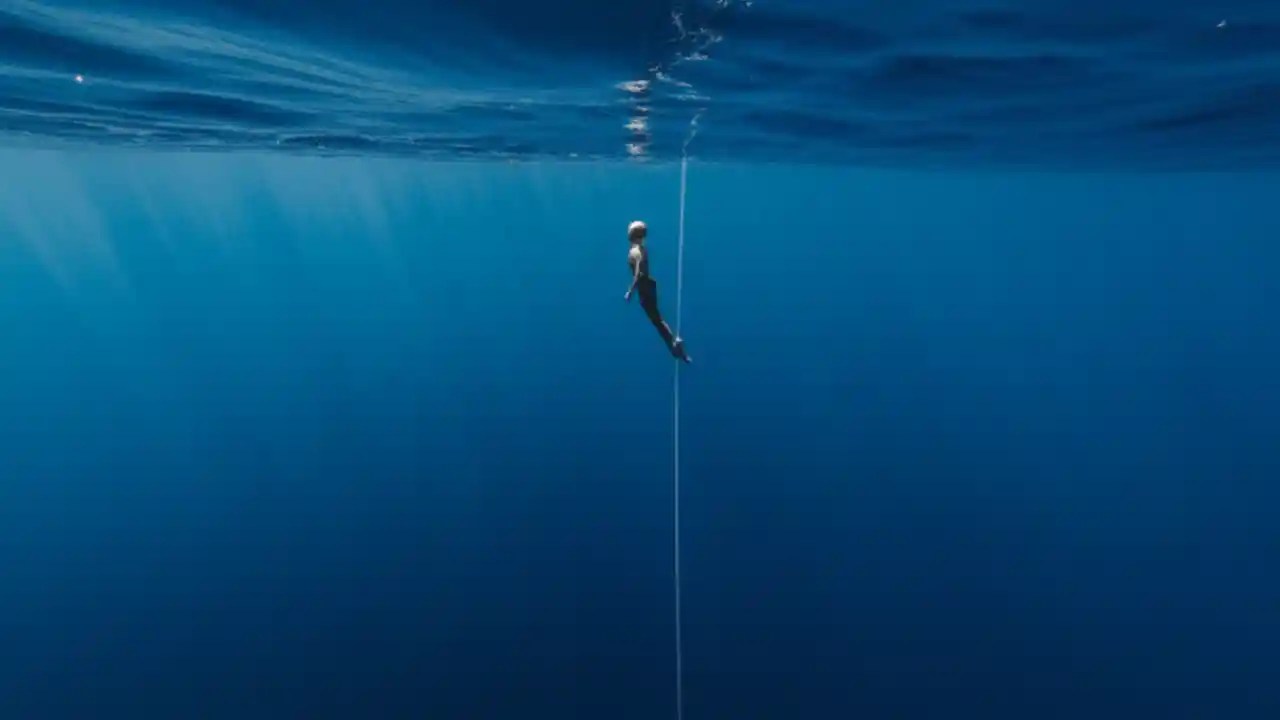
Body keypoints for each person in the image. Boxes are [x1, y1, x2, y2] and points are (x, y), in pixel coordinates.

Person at [624, 220, 691, 363]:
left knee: (657, 320)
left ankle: (673, 345)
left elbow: (639, 273)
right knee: (658, 319)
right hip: (649, 284)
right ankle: (677, 348)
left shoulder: (635, 251)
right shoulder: (642, 249)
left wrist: (630, 291)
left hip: (644, 286)